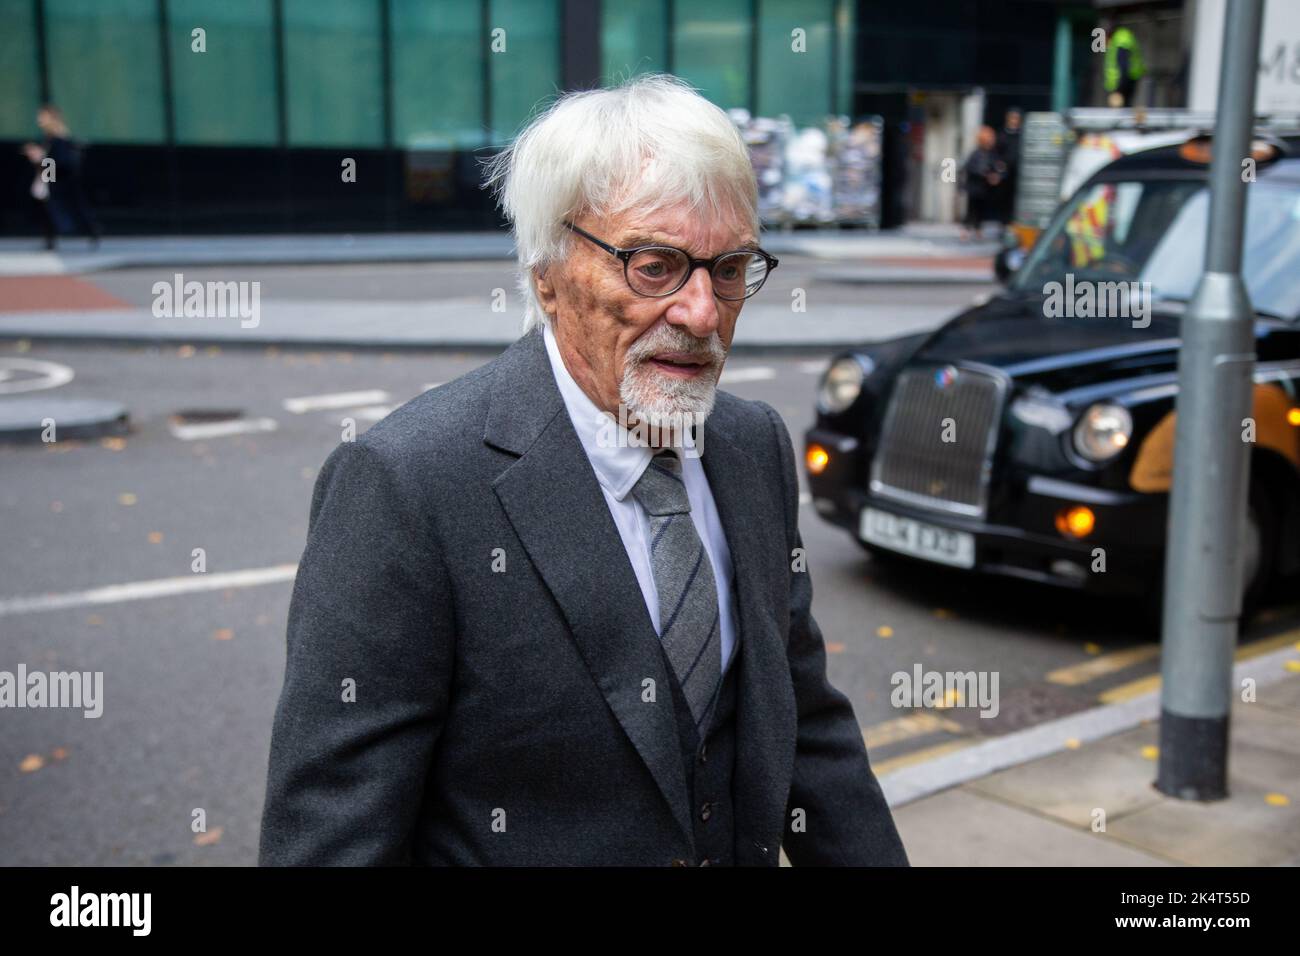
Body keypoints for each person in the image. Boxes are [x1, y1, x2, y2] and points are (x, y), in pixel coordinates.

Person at [257, 73, 909, 867]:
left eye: (730, 268)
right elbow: (333, 841)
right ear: (548, 275)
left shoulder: (753, 445)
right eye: (654, 265)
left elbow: (806, 728)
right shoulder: (406, 484)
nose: (702, 311)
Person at [23, 104, 101, 250]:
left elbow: (57, 161)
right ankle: (50, 239)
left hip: (59, 179)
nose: (39, 120)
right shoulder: (48, 137)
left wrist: (40, 157)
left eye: (43, 117)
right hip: (49, 176)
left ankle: (91, 231)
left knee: (69, 207)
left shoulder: (59, 137)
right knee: (46, 207)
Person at [960, 125, 1006, 241]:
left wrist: (997, 175)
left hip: (984, 188)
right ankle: (966, 230)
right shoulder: (975, 153)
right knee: (971, 210)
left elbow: (998, 167)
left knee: (981, 210)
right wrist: (985, 174)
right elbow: (969, 167)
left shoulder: (992, 154)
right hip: (974, 187)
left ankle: (978, 229)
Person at [996, 108, 1022, 227]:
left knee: (1017, 197)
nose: (1014, 121)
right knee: (1004, 198)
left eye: (1016, 118)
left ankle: (1014, 221)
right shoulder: (1002, 134)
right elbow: (997, 153)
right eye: (1012, 118)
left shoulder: (1022, 135)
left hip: (1019, 171)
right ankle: (1004, 222)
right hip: (1005, 172)